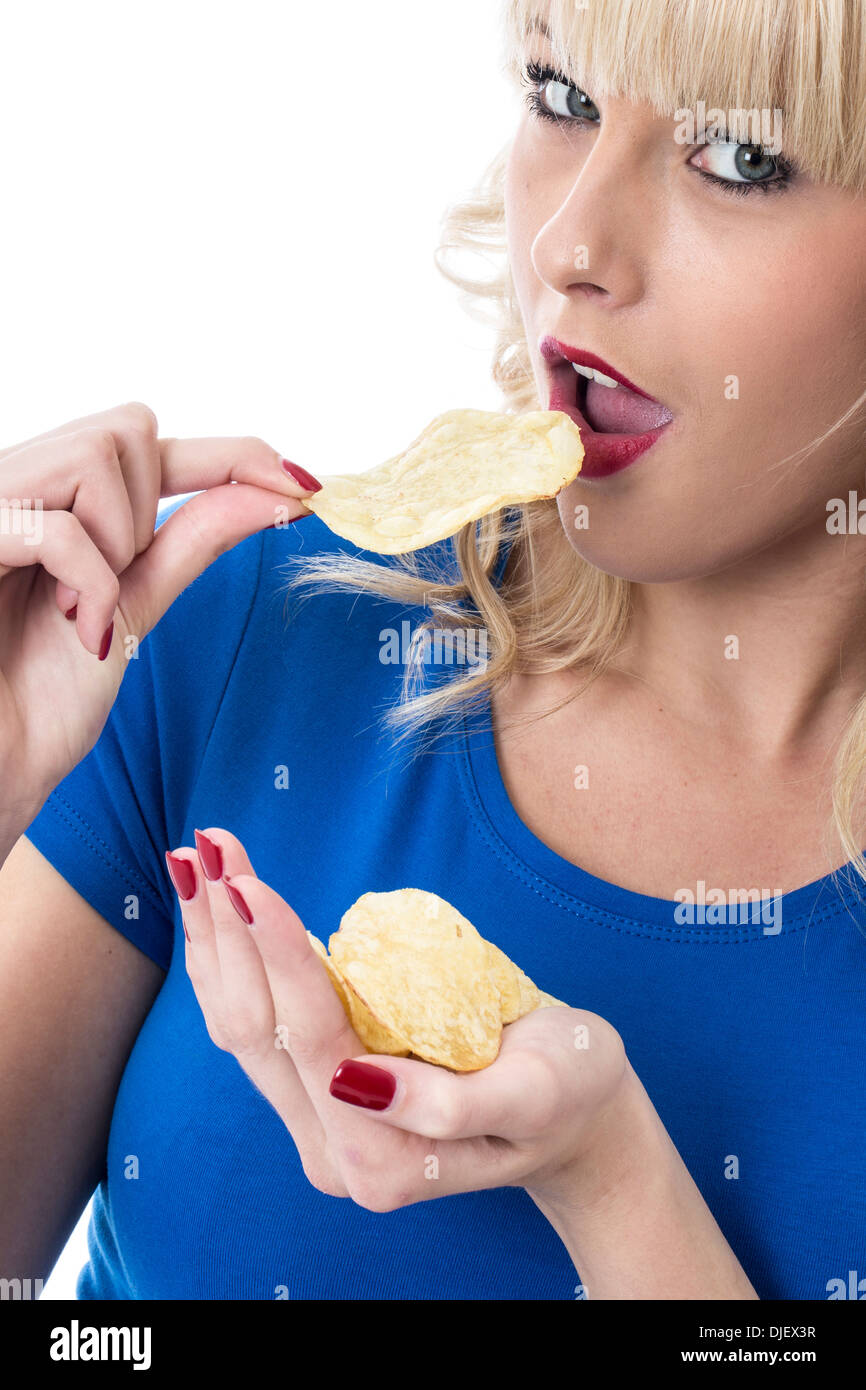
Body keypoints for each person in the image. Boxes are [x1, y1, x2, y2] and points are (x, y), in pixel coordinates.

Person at [2, 0, 865, 1301]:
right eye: (561, 97)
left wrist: (612, 1183)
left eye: (739, 159)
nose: (571, 239)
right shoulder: (234, 625)